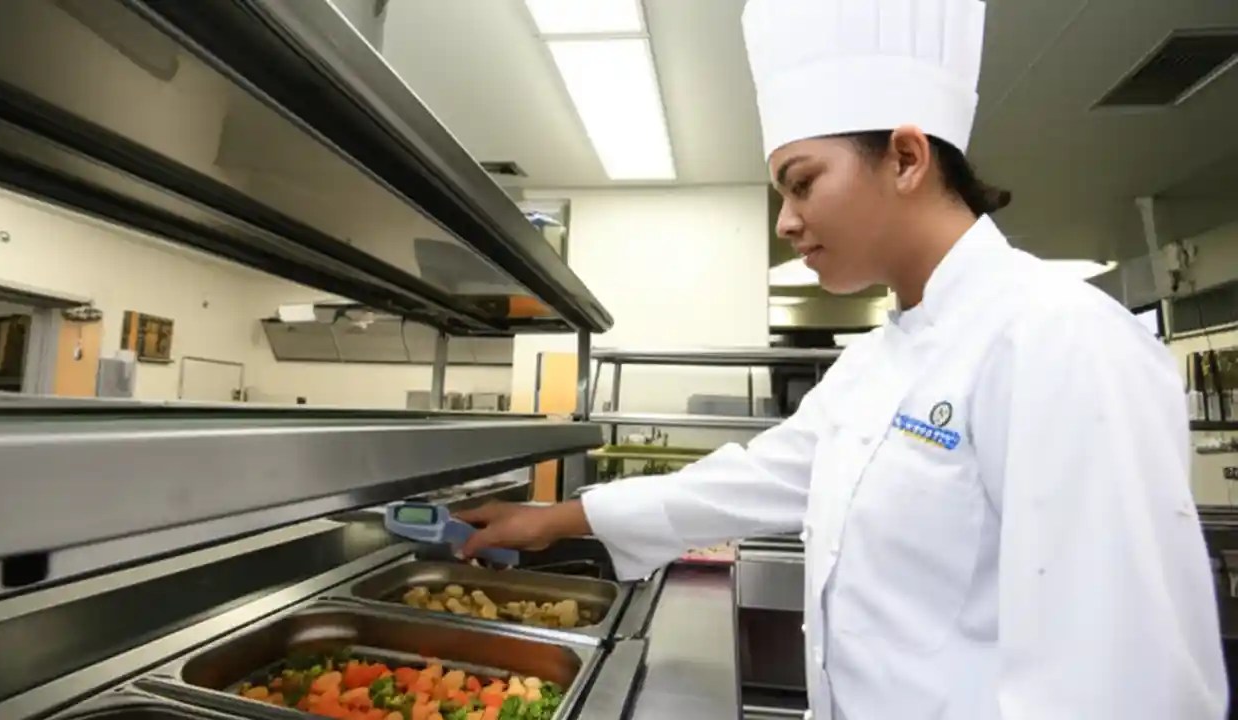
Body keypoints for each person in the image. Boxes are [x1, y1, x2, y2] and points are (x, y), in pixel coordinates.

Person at [460, 0, 1228, 717]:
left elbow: (1127, 681)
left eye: (802, 183)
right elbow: (749, 481)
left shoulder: (1059, 339)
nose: (788, 222)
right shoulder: (874, 365)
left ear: (904, 157)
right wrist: (553, 519)